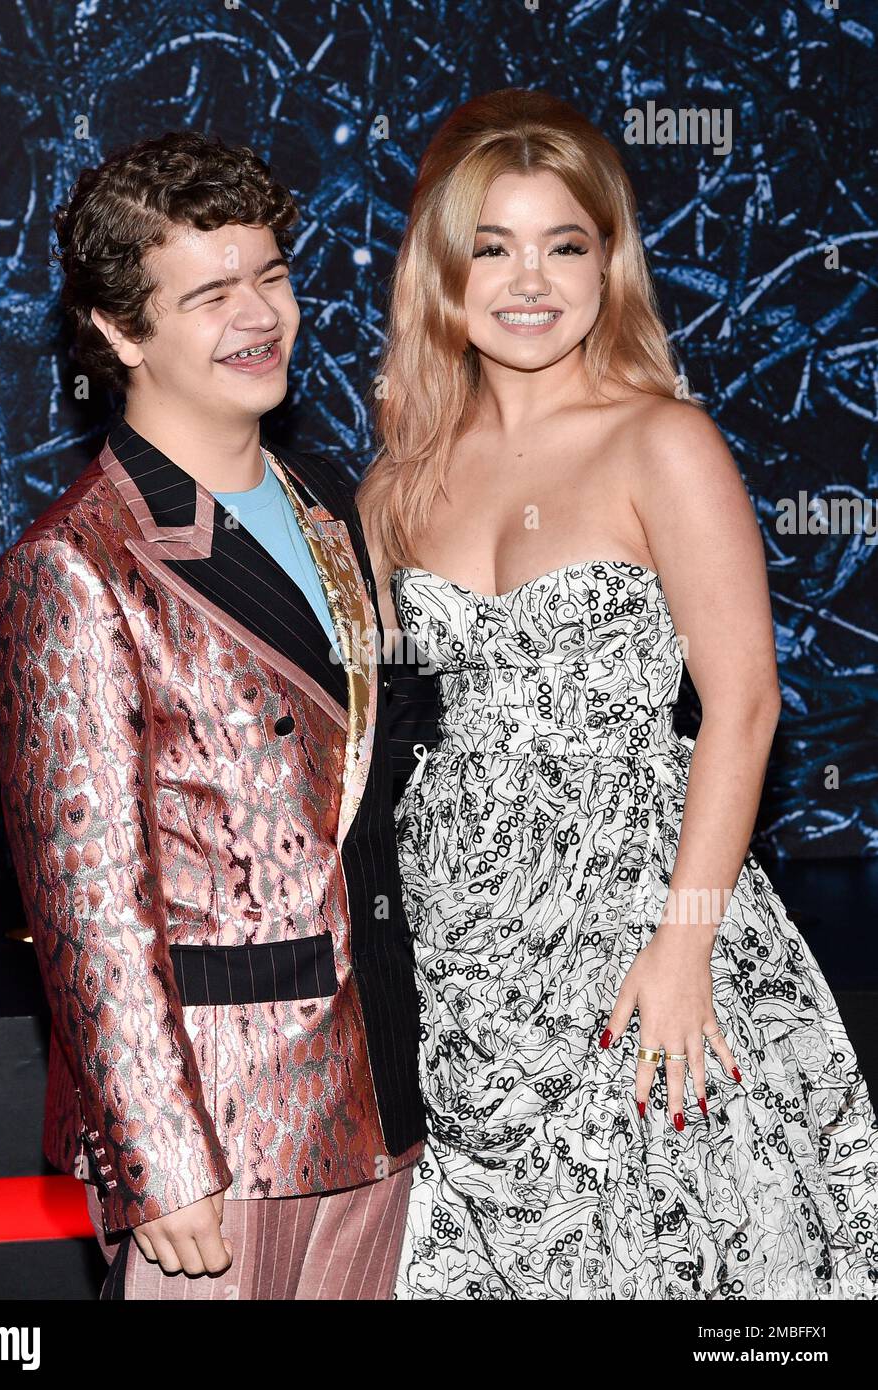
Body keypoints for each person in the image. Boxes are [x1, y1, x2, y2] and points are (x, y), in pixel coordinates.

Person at [356, 88, 878, 1300]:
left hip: (635, 908)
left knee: (665, 1245)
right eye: (492, 247)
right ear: (443, 269)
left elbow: (742, 704)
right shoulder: (398, 481)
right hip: (457, 937)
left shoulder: (661, 442)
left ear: (608, 264)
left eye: (563, 244)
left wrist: (684, 943)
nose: (528, 281)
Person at [0, 129, 424, 1300]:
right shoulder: (73, 567)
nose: (258, 315)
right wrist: (156, 1157)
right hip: (221, 1138)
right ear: (120, 332)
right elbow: (88, 911)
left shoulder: (329, 508)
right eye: (210, 294)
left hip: (379, 1087)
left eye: (270, 276)